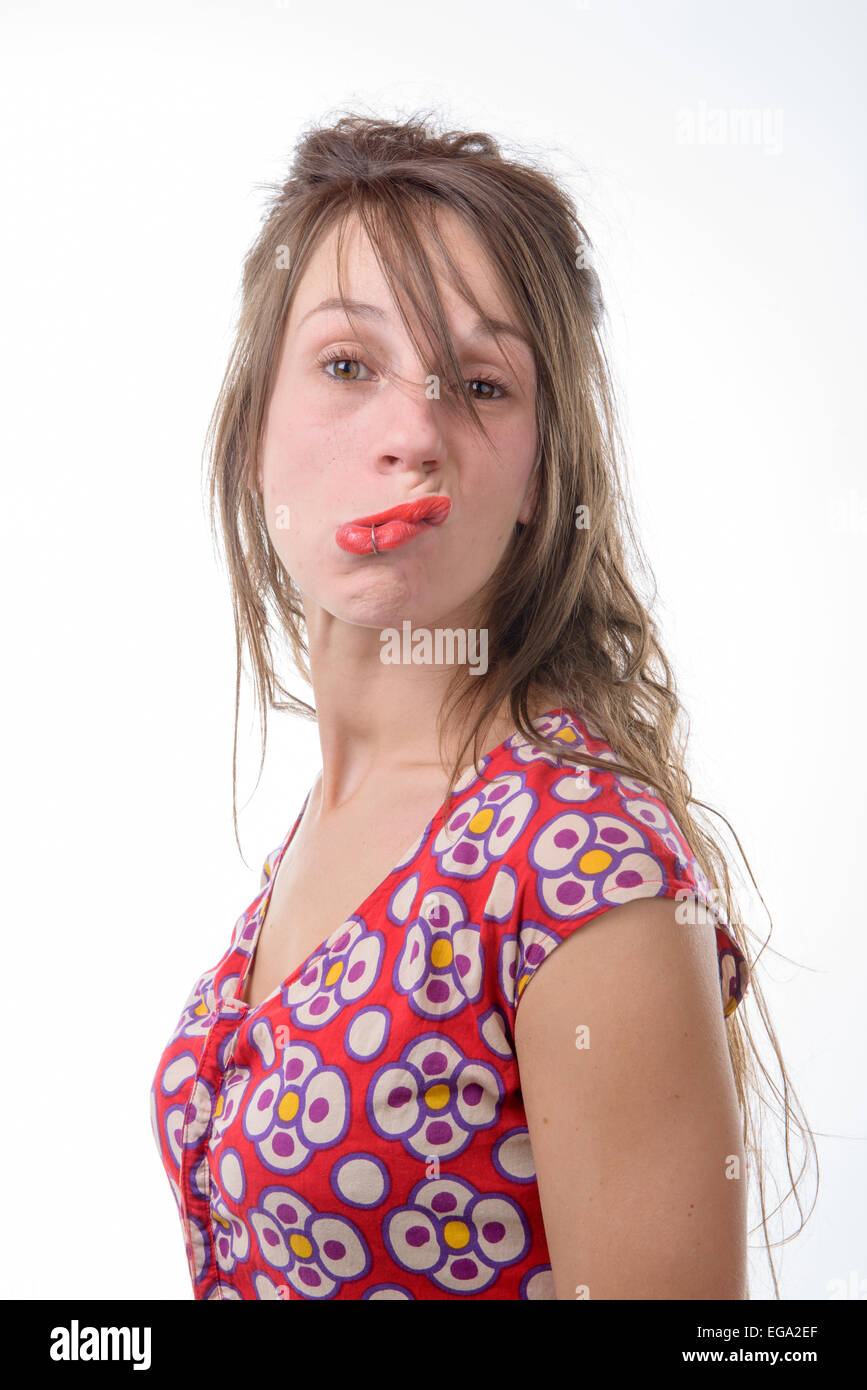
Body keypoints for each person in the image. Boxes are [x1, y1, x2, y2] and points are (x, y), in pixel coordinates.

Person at [151, 111, 816, 1300]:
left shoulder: (581, 863)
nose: (412, 435)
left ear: (536, 480)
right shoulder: (329, 821)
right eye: (348, 365)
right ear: (257, 425)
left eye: (481, 385)